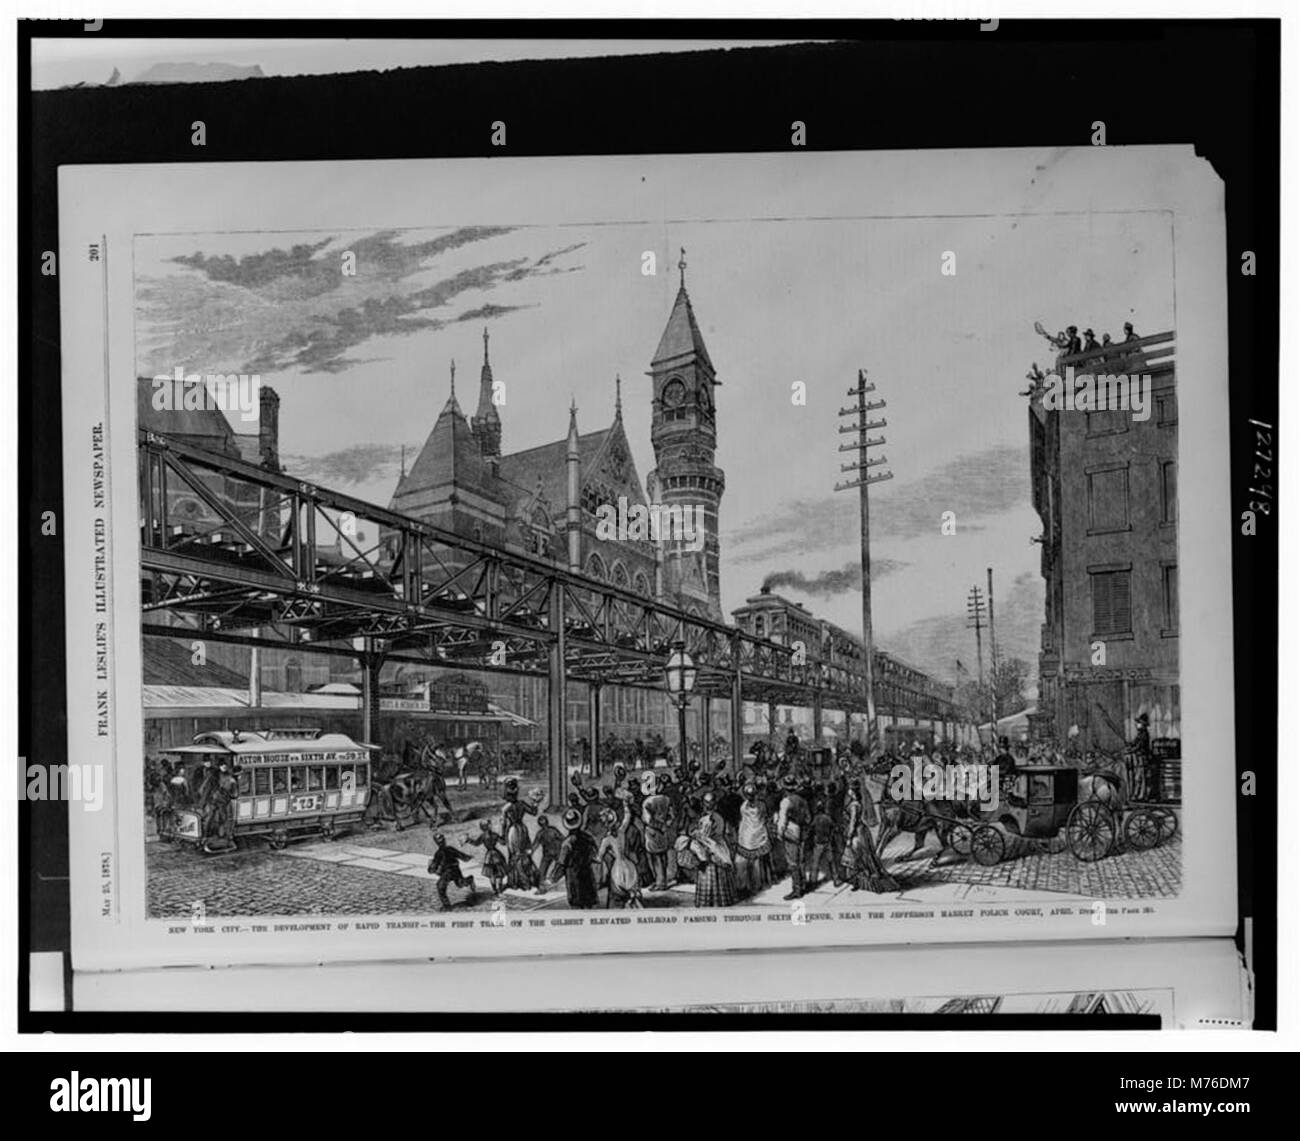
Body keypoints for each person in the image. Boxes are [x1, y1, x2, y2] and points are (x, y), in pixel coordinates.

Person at [841, 785, 898, 893]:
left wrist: (849, 837)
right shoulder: (857, 803)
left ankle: (864, 882)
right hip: (863, 831)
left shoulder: (853, 805)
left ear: (853, 792)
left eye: (850, 789)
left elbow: (853, 822)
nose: (848, 790)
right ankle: (860, 882)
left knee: (858, 856)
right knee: (865, 856)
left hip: (857, 833)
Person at [550, 808, 599, 908]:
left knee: (577, 906)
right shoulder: (588, 838)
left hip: (574, 879)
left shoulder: (567, 843)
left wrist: (553, 879)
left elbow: (561, 863)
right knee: (589, 906)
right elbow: (595, 855)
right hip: (587, 875)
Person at [597, 807, 643, 909]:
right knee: (631, 891)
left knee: (617, 895)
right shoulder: (622, 831)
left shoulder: (606, 840)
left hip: (618, 869)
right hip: (629, 866)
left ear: (605, 824)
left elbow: (599, 858)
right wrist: (626, 805)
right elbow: (627, 817)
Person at [688, 815, 738, 908]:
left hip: (715, 847)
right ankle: (705, 901)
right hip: (706, 850)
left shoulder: (718, 821)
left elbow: (722, 853)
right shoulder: (702, 821)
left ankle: (720, 901)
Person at [776, 774, 811, 900]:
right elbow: (808, 818)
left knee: (793, 863)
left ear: (785, 788)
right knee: (801, 860)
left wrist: (780, 834)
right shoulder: (803, 801)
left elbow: (782, 821)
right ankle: (803, 885)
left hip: (791, 833)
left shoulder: (786, 802)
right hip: (801, 832)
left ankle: (797, 890)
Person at [734, 782, 772, 897]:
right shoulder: (761, 805)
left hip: (747, 836)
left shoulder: (743, 806)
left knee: (743, 862)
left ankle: (744, 886)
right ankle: (755, 885)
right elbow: (764, 817)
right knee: (755, 862)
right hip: (756, 835)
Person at [500, 777, 539, 890]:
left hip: (512, 831)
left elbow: (503, 824)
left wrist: (503, 836)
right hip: (522, 829)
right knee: (525, 854)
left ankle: (517, 881)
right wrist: (535, 802)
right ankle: (531, 878)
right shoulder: (521, 804)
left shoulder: (505, 808)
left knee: (514, 856)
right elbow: (533, 812)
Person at [427, 830, 478, 911]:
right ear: (437, 843)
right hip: (449, 872)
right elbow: (463, 857)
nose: (441, 842)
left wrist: (469, 857)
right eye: (439, 841)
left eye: (442, 840)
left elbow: (461, 856)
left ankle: (470, 880)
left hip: (452, 871)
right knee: (445, 885)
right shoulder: (440, 853)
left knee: (456, 885)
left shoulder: (446, 851)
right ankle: (447, 906)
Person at [642, 774, 675, 891]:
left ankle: (660, 882)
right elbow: (671, 816)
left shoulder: (647, 802)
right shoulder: (666, 799)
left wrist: (659, 827)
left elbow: (648, 820)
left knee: (655, 858)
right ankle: (662, 880)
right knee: (663, 857)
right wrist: (665, 826)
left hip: (652, 833)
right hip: (664, 832)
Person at [464, 820, 508, 895]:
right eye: (490, 824)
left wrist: (468, 840)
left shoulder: (483, 836)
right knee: (499, 874)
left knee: (492, 874)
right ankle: (499, 889)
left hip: (488, 856)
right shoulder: (494, 835)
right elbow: (503, 842)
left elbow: (476, 843)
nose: (491, 825)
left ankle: (494, 889)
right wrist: (504, 828)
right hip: (496, 855)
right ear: (488, 826)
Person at [531, 815, 563, 890]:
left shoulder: (541, 833)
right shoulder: (552, 830)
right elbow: (562, 838)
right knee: (546, 868)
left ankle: (546, 882)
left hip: (550, 853)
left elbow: (535, 845)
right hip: (552, 853)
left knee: (544, 869)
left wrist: (531, 852)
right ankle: (548, 881)